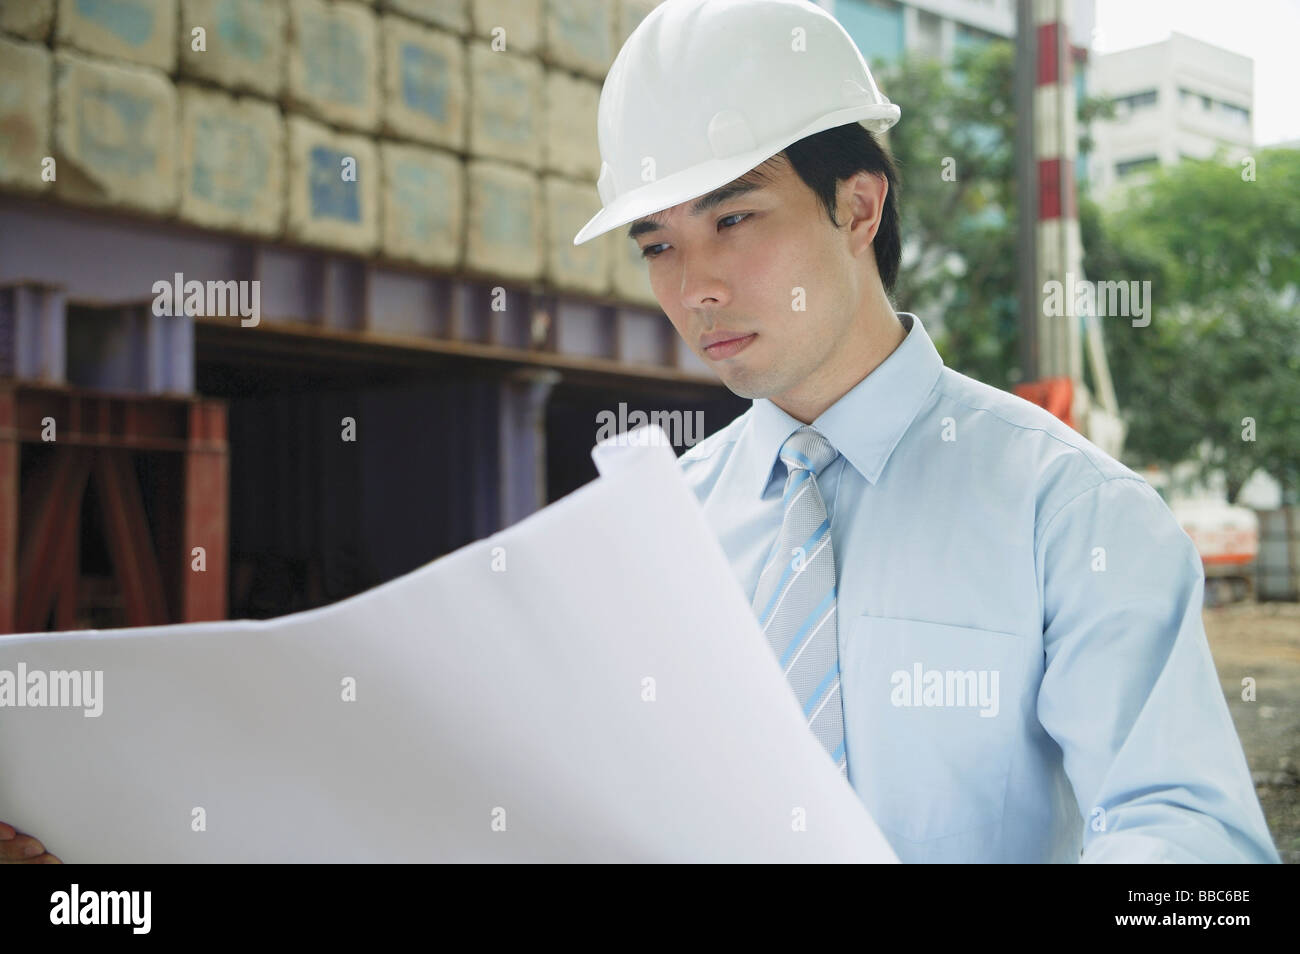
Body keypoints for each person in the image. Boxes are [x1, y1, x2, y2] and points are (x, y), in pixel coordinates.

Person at [571, 0, 1279, 862]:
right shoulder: (660, 526)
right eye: (657, 246)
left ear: (859, 207)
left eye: (732, 219)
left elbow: (1189, 843)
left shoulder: (1071, 515)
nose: (695, 288)